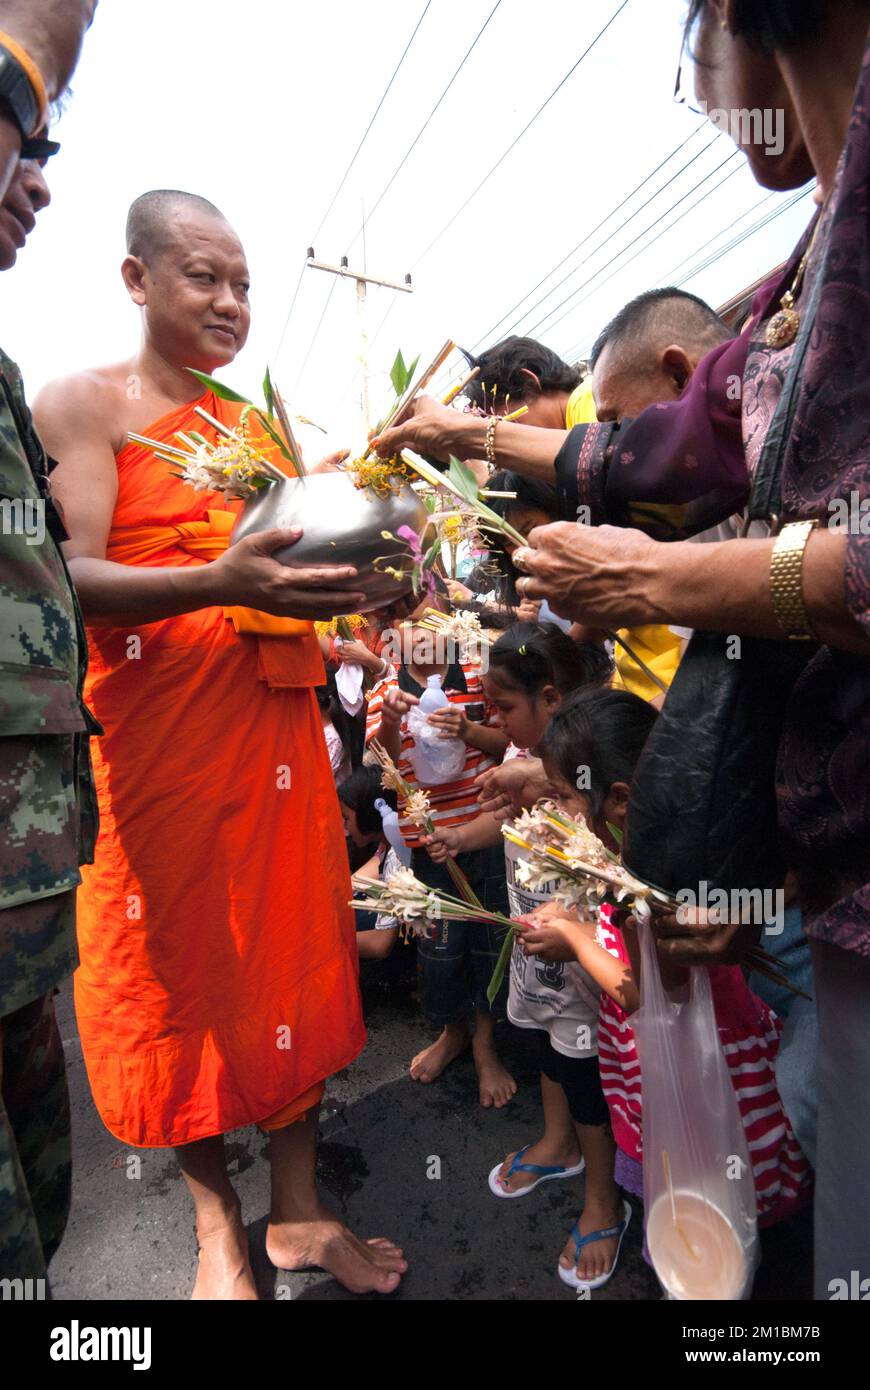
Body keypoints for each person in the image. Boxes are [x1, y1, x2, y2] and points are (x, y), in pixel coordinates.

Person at [508, 0, 870, 1300]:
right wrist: (468, 435)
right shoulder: (814, 263)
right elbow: (652, 449)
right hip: (810, 881)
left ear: (731, 21)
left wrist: (651, 573)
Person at [33, 189, 407, 1299]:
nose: (231, 301)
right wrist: (215, 579)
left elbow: (294, 575)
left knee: (287, 960)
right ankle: (216, 1226)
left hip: (275, 739)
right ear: (137, 279)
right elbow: (67, 580)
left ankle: (298, 1210)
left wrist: (370, 591)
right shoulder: (79, 405)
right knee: (177, 980)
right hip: (158, 759)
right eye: (205, 276)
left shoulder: (254, 429)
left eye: (243, 282)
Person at [520, 688, 811, 1235]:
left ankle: (712, 1261)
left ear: (622, 799)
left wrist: (577, 942)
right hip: (733, 1042)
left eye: (563, 797)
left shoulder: (646, 885)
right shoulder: (687, 843)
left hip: (694, 1060)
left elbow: (644, 994)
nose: (557, 813)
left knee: (705, 1177)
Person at [0, 0, 99, 1285]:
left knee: (34, 1211)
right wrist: (28, 48)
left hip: (25, 880)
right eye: (23, 137)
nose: (33, 184)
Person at [365, 591, 514, 1106]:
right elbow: (379, 763)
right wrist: (389, 717)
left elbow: (511, 749)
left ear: (454, 630)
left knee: (490, 941)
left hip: (483, 834)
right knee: (441, 948)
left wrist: (469, 729)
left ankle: (486, 1046)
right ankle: (453, 1032)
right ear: (393, 638)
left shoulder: (477, 680)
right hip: (428, 847)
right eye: (407, 626)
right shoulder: (386, 689)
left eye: (432, 624)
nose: (421, 634)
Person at [338, 765, 402, 962]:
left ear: (367, 814)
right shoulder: (388, 843)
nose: (345, 827)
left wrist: (323, 944)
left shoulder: (398, 857)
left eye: (347, 818)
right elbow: (353, 884)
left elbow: (379, 944)